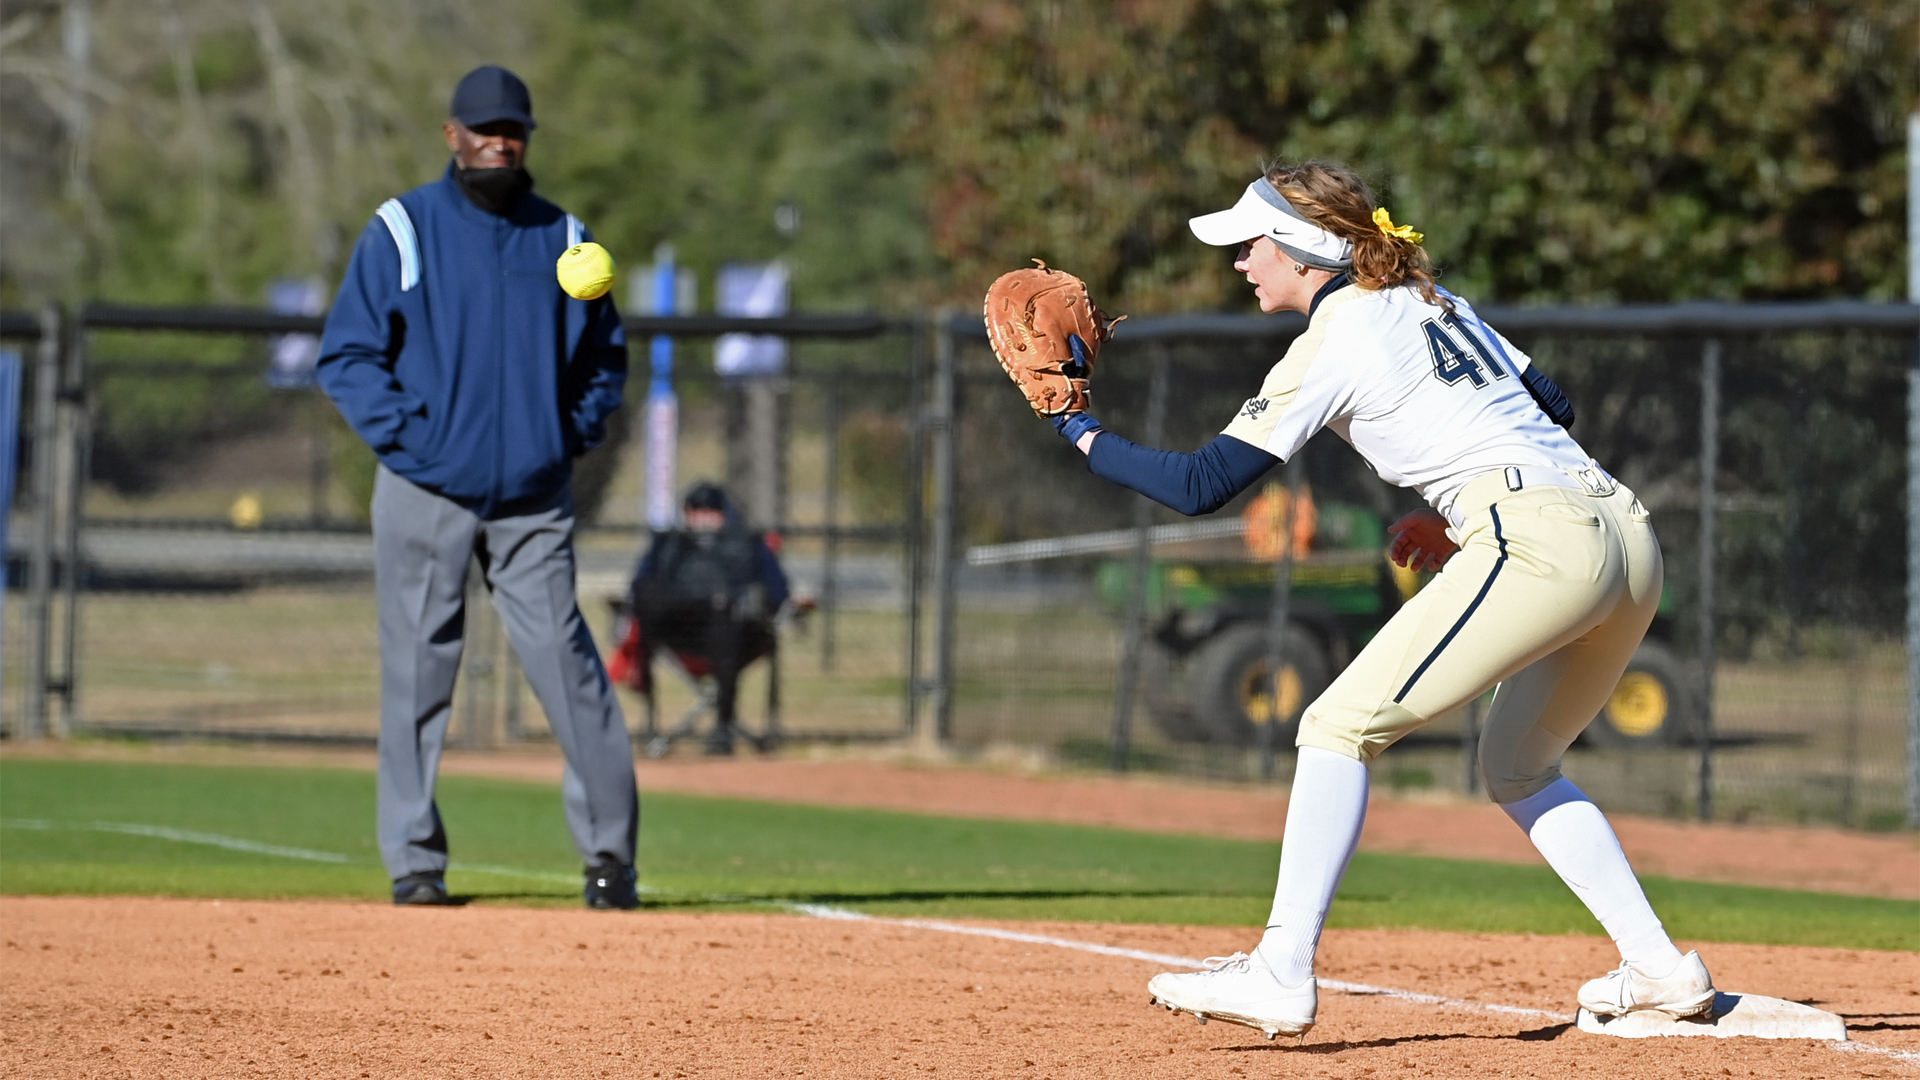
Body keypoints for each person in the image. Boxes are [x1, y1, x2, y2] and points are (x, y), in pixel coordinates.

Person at [1048, 162, 1712, 1038]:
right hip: (1625, 535)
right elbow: (1555, 402)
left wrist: (1077, 428)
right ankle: (1663, 970)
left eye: (1252, 245)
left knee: (1333, 726)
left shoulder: (1338, 336)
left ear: (1303, 251)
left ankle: (1282, 971)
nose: (1242, 262)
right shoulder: (1435, 301)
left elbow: (1202, 484)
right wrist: (1464, 508)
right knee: (1517, 765)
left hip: (1543, 540)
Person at [317, 65, 641, 910]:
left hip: (533, 497)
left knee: (568, 668)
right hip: (426, 491)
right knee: (419, 674)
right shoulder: (403, 229)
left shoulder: (564, 236)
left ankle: (611, 860)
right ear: (452, 135)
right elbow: (347, 355)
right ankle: (414, 863)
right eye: (485, 126)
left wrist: (565, 437)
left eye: (514, 128)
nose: (501, 139)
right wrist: (411, 442)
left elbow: (606, 361)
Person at [625, 484, 791, 755]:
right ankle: (650, 718)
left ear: (723, 514)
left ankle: (723, 727)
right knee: (648, 595)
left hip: (734, 635)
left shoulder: (747, 542)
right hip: (679, 631)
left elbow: (778, 590)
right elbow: (639, 585)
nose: (702, 518)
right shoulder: (669, 543)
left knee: (723, 615)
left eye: (710, 511)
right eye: (695, 511)